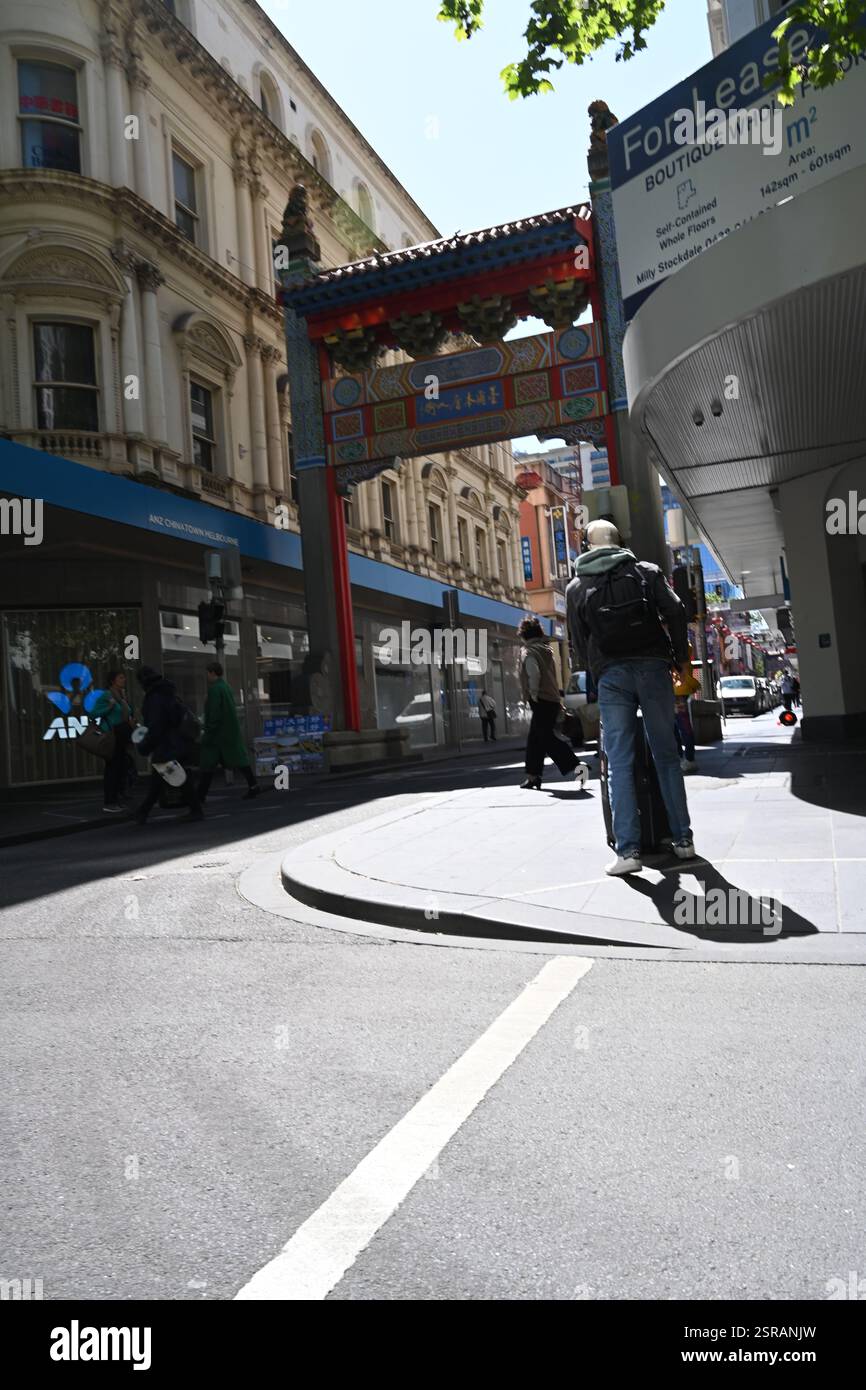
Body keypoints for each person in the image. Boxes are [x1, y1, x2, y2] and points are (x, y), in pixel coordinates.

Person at [567, 519, 696, 875]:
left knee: (619, 762)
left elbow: (578, 643)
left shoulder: (577, 586)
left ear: (587, 545)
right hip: (654, 668)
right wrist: (680, 660)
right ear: (619, 541)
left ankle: (629, 852)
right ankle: (683, 840)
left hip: (611, 675)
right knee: (666, 755)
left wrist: (599, 669)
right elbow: (676, 610)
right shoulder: (646, 572)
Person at [133, 666, 203, 824]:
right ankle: (143, 811)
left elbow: (156, 725)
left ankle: (143, 811)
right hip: (176, 742)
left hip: (166, 744)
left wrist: (145, 746)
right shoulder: (168, 693)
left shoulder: (154, 698)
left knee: (168, 778)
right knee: (167, 777)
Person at [517, 616, 578, 790]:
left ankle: (574, 765)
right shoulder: (546, 649)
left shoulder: (528, 651)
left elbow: (533, 674)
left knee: (545, 738)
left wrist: (533, 695)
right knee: (536, 739)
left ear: (524, 635)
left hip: (541, 700)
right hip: (551, 698)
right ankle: (533, 776)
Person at [197, 663, 260, 802]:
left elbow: (214, 714)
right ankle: (253, 785)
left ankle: (200, 795)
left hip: (217, 735)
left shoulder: (214, 690)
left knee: (207, 764)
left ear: (212, 673)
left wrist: (208, 732)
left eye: (208, 673)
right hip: (228, 732)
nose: (207, 676)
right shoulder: (226, 687)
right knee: (239, 760)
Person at [91, 669, 135, 813]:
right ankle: (109, 802)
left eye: (124, 677)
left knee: (120, 768)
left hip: (122, 735)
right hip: (112, 735)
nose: (124, 680)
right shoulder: (107, 695)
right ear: (113, 680)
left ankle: (116, 800)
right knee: (112, 768)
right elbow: (93, 713)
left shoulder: (122, 696)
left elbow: (127, 713)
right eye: (120, 677)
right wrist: (108, 707)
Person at [673, 653, 701, 773]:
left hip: (675, 689)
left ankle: (685, 758)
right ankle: (688, 758)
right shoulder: (685, 646)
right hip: (681, 689)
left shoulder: (674, 645)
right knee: (681, 726)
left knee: (677, 727)